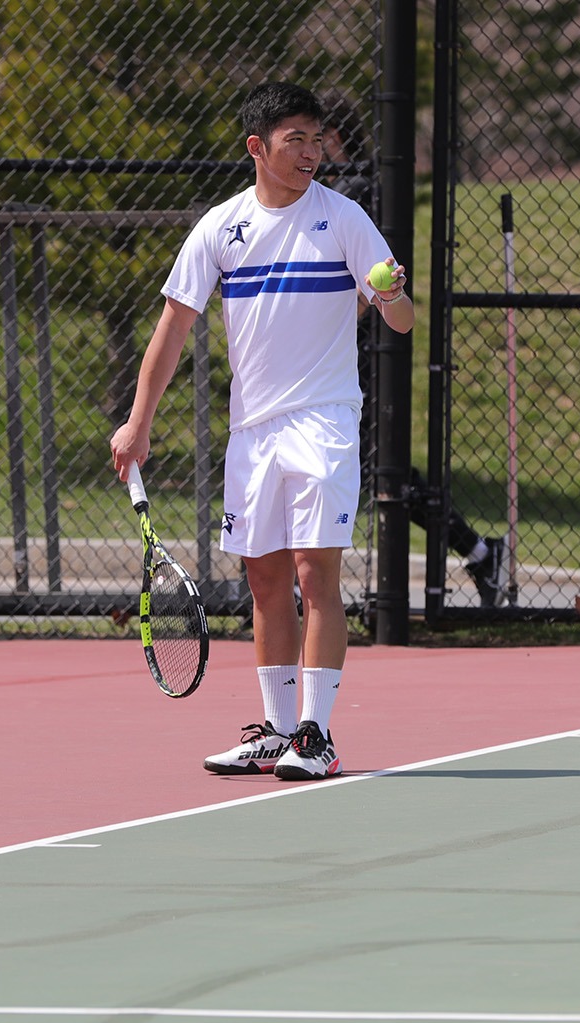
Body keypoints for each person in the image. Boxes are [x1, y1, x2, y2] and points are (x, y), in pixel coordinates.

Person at [111, 82, 413, 780]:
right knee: (266, 580)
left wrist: (393, 293)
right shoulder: (219, 228)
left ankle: (317, 735)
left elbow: (401, 322)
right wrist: (137, 423)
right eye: (294, 140)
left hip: (323, 421)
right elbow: (172, 328)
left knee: (314, 573)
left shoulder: (343, 218)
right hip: (252, 431)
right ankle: (277, 732)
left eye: (317, 139)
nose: (311, 152)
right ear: (258, 147)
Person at [319, 96, 509, 609]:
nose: (312, 150)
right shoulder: (336, 191)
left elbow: (367, 278)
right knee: (382, 466)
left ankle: (478, 551)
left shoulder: (353, 192)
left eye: (319, 138)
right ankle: (480, 550)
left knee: (377, 464)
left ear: (334, 137)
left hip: (358, 352)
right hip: (339, 352)